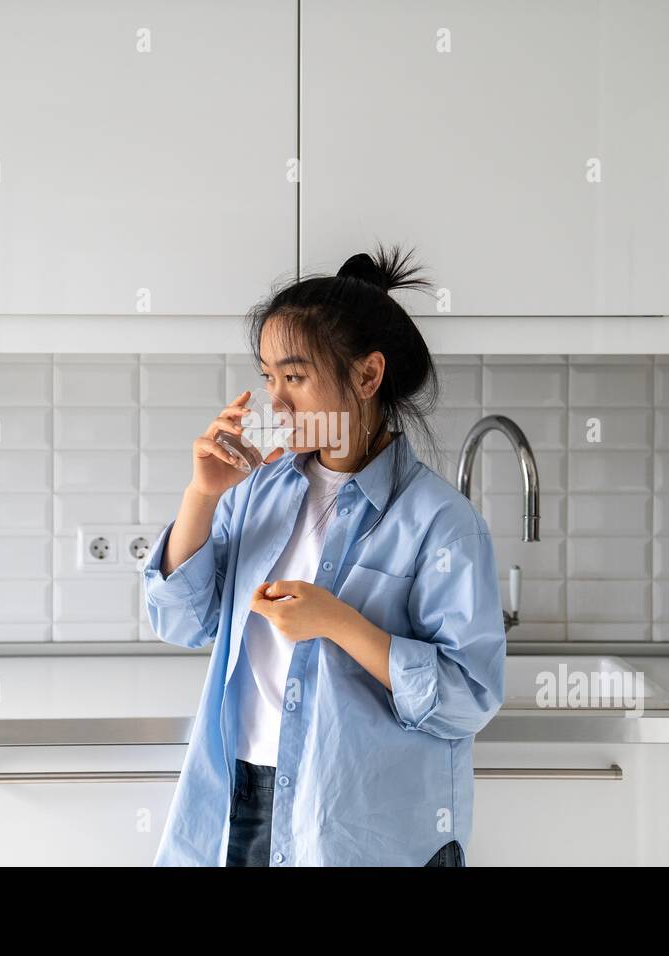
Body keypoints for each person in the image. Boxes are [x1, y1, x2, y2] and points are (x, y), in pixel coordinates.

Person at [142, 241, 505, 866]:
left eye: (295, 377)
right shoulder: (252, 488)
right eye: (267, 377)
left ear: (366, 376)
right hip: (245, 792)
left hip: (361, 817)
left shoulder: (441, 522)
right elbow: (180, 622)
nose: (274, 402)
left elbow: (466, 699)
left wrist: (338, 624)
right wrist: (201, 494)